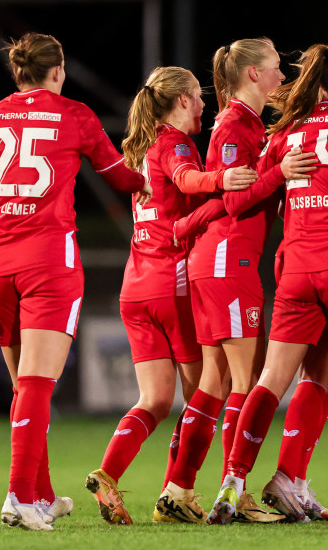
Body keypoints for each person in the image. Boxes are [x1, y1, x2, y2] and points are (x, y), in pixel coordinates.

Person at [0, 32, 151, 531]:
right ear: (58, 71)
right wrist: (152, 177)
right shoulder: (75, 115)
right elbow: (120, 179)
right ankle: (17, 497)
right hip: (49, 261)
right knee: (37, 384)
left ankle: (42, 495)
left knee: (25, 387)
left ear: (18, 73)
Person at [206, 42, 328, 526]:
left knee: (273, 379)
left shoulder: (287, 131)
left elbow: (251, 199)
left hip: (296, 267)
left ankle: (233, 481)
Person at [83, 66, 256, 525]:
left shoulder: (142, 146)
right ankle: (178, 492)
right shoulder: (174, 142)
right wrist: (223, 182)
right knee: (205, 393)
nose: (203, 104)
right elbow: (186, 180)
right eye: (197, 95)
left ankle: (107, 475)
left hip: (135, 285)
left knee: (155, 400)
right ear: (180, 100)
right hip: (171, 281)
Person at [158, 37, 312, 524]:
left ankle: (178, 490)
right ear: (253, 74)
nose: (282, 77)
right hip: (227, 259)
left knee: (216, 381)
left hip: (221, 259)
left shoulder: (248, 123)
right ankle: (236, 491)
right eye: (275, 67)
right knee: (248, 380)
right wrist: (280, 172)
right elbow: (234, 199)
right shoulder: (233, 124)